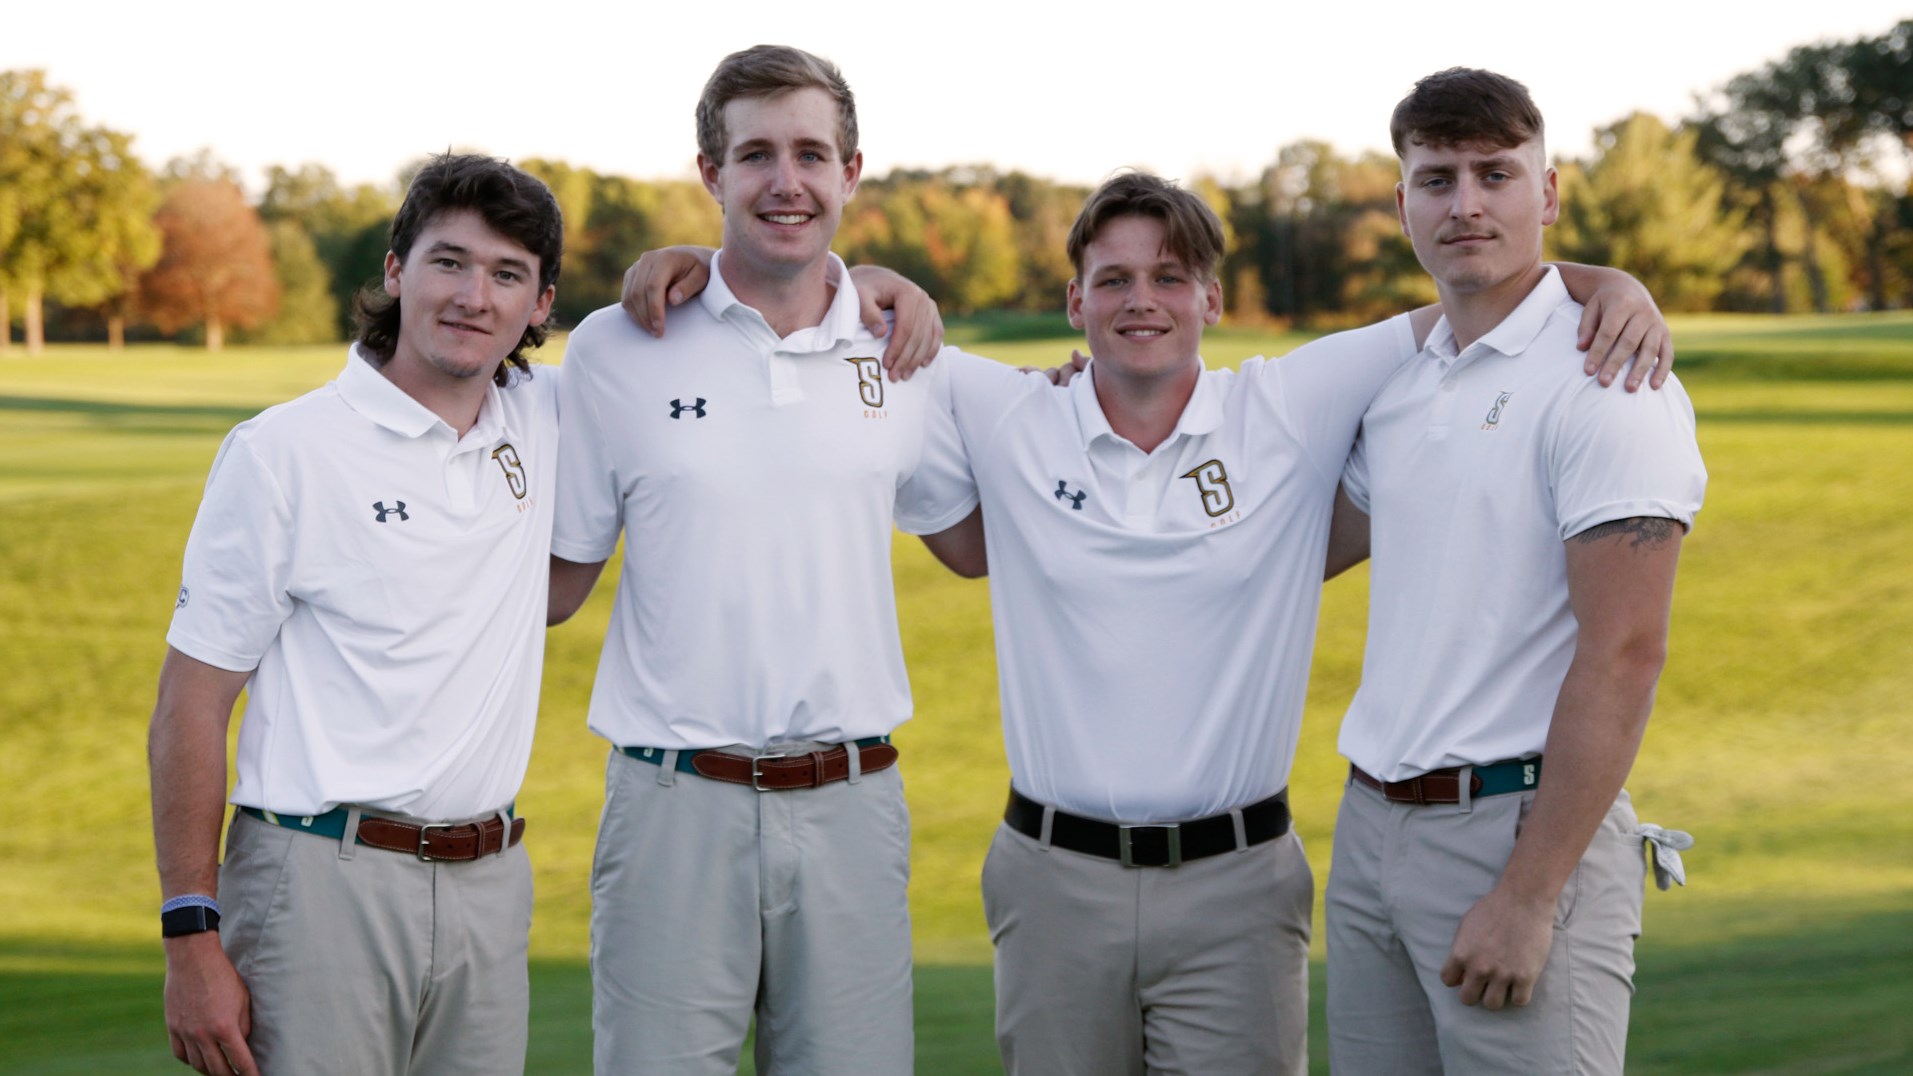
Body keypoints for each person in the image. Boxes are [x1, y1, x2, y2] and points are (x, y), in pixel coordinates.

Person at [622, 171, 1672, 1073]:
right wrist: (696, 260)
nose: (1141, 300)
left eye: (1168, 276)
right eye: (1113, 279)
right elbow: (814, 303)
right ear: (1072, 298)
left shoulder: (1291, 401)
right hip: (1051, 881)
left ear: (1211, 297)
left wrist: (1605, 283)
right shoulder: (1001, 409)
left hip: (1237, 885)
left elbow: (1476, 297)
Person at [545, 45, 983, 1075]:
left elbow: (971, 543)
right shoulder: (616, 345)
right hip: (669, 804)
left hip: (850, 800)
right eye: (754, 155)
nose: (784, 181)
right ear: (710, 174)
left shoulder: (902, 348)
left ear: (850, 170)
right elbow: (553, 579)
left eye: (809, 153)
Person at [1322, 67, 1706, 1075]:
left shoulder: (1607, 384)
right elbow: (1289, 551)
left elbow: (1623, 651)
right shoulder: (1402, 382)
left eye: (1495, 174)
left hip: (1516, 836)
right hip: (1370, 833)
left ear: (1547, 193)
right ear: (1399, 198)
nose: (1464, 204)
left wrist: (1530, 892)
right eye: (1435, 178)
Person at [149, 154, 564, 1076]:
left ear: (539, 306)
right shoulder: (282, 452)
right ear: (394, 270)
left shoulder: (544, 420)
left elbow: (696, 324)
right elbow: (191, 701)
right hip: (317, 884)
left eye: (507, 275)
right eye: (448, 261)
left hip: (490, 889)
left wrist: (867, 284)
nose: (472, 296)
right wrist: (189, 934)